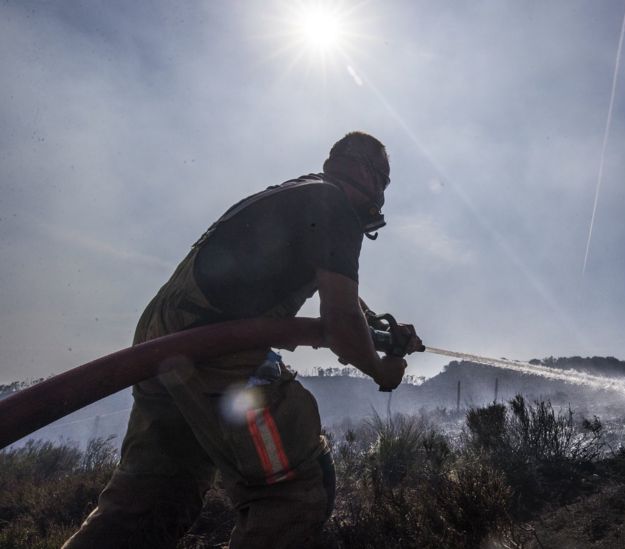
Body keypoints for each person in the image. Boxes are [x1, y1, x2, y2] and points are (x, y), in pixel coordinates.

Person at [63, 131, 420, 549]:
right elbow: (340, 322)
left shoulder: (299, 193)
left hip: (164, 339)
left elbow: (342, 297)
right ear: (367, 173)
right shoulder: (336, 206)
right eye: (383, 181)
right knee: (296, 489)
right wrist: (382, 371)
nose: (381, 195)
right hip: (216, 346)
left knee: (153, 495)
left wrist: (376, 324)